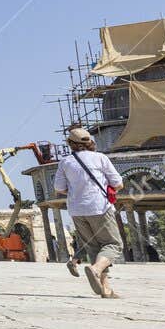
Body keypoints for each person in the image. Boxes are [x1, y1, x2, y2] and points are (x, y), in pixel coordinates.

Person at [52, 125, 124, 299]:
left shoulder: (66, 162)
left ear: (70, 144)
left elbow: (59, 188)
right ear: (90, 142)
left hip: (77, 210)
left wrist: (77, 190)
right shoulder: (100, 158)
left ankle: (105, 289)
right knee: (114, 244)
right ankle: (96, 269)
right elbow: (118, 183)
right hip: (100, 207)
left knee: (93, 247)